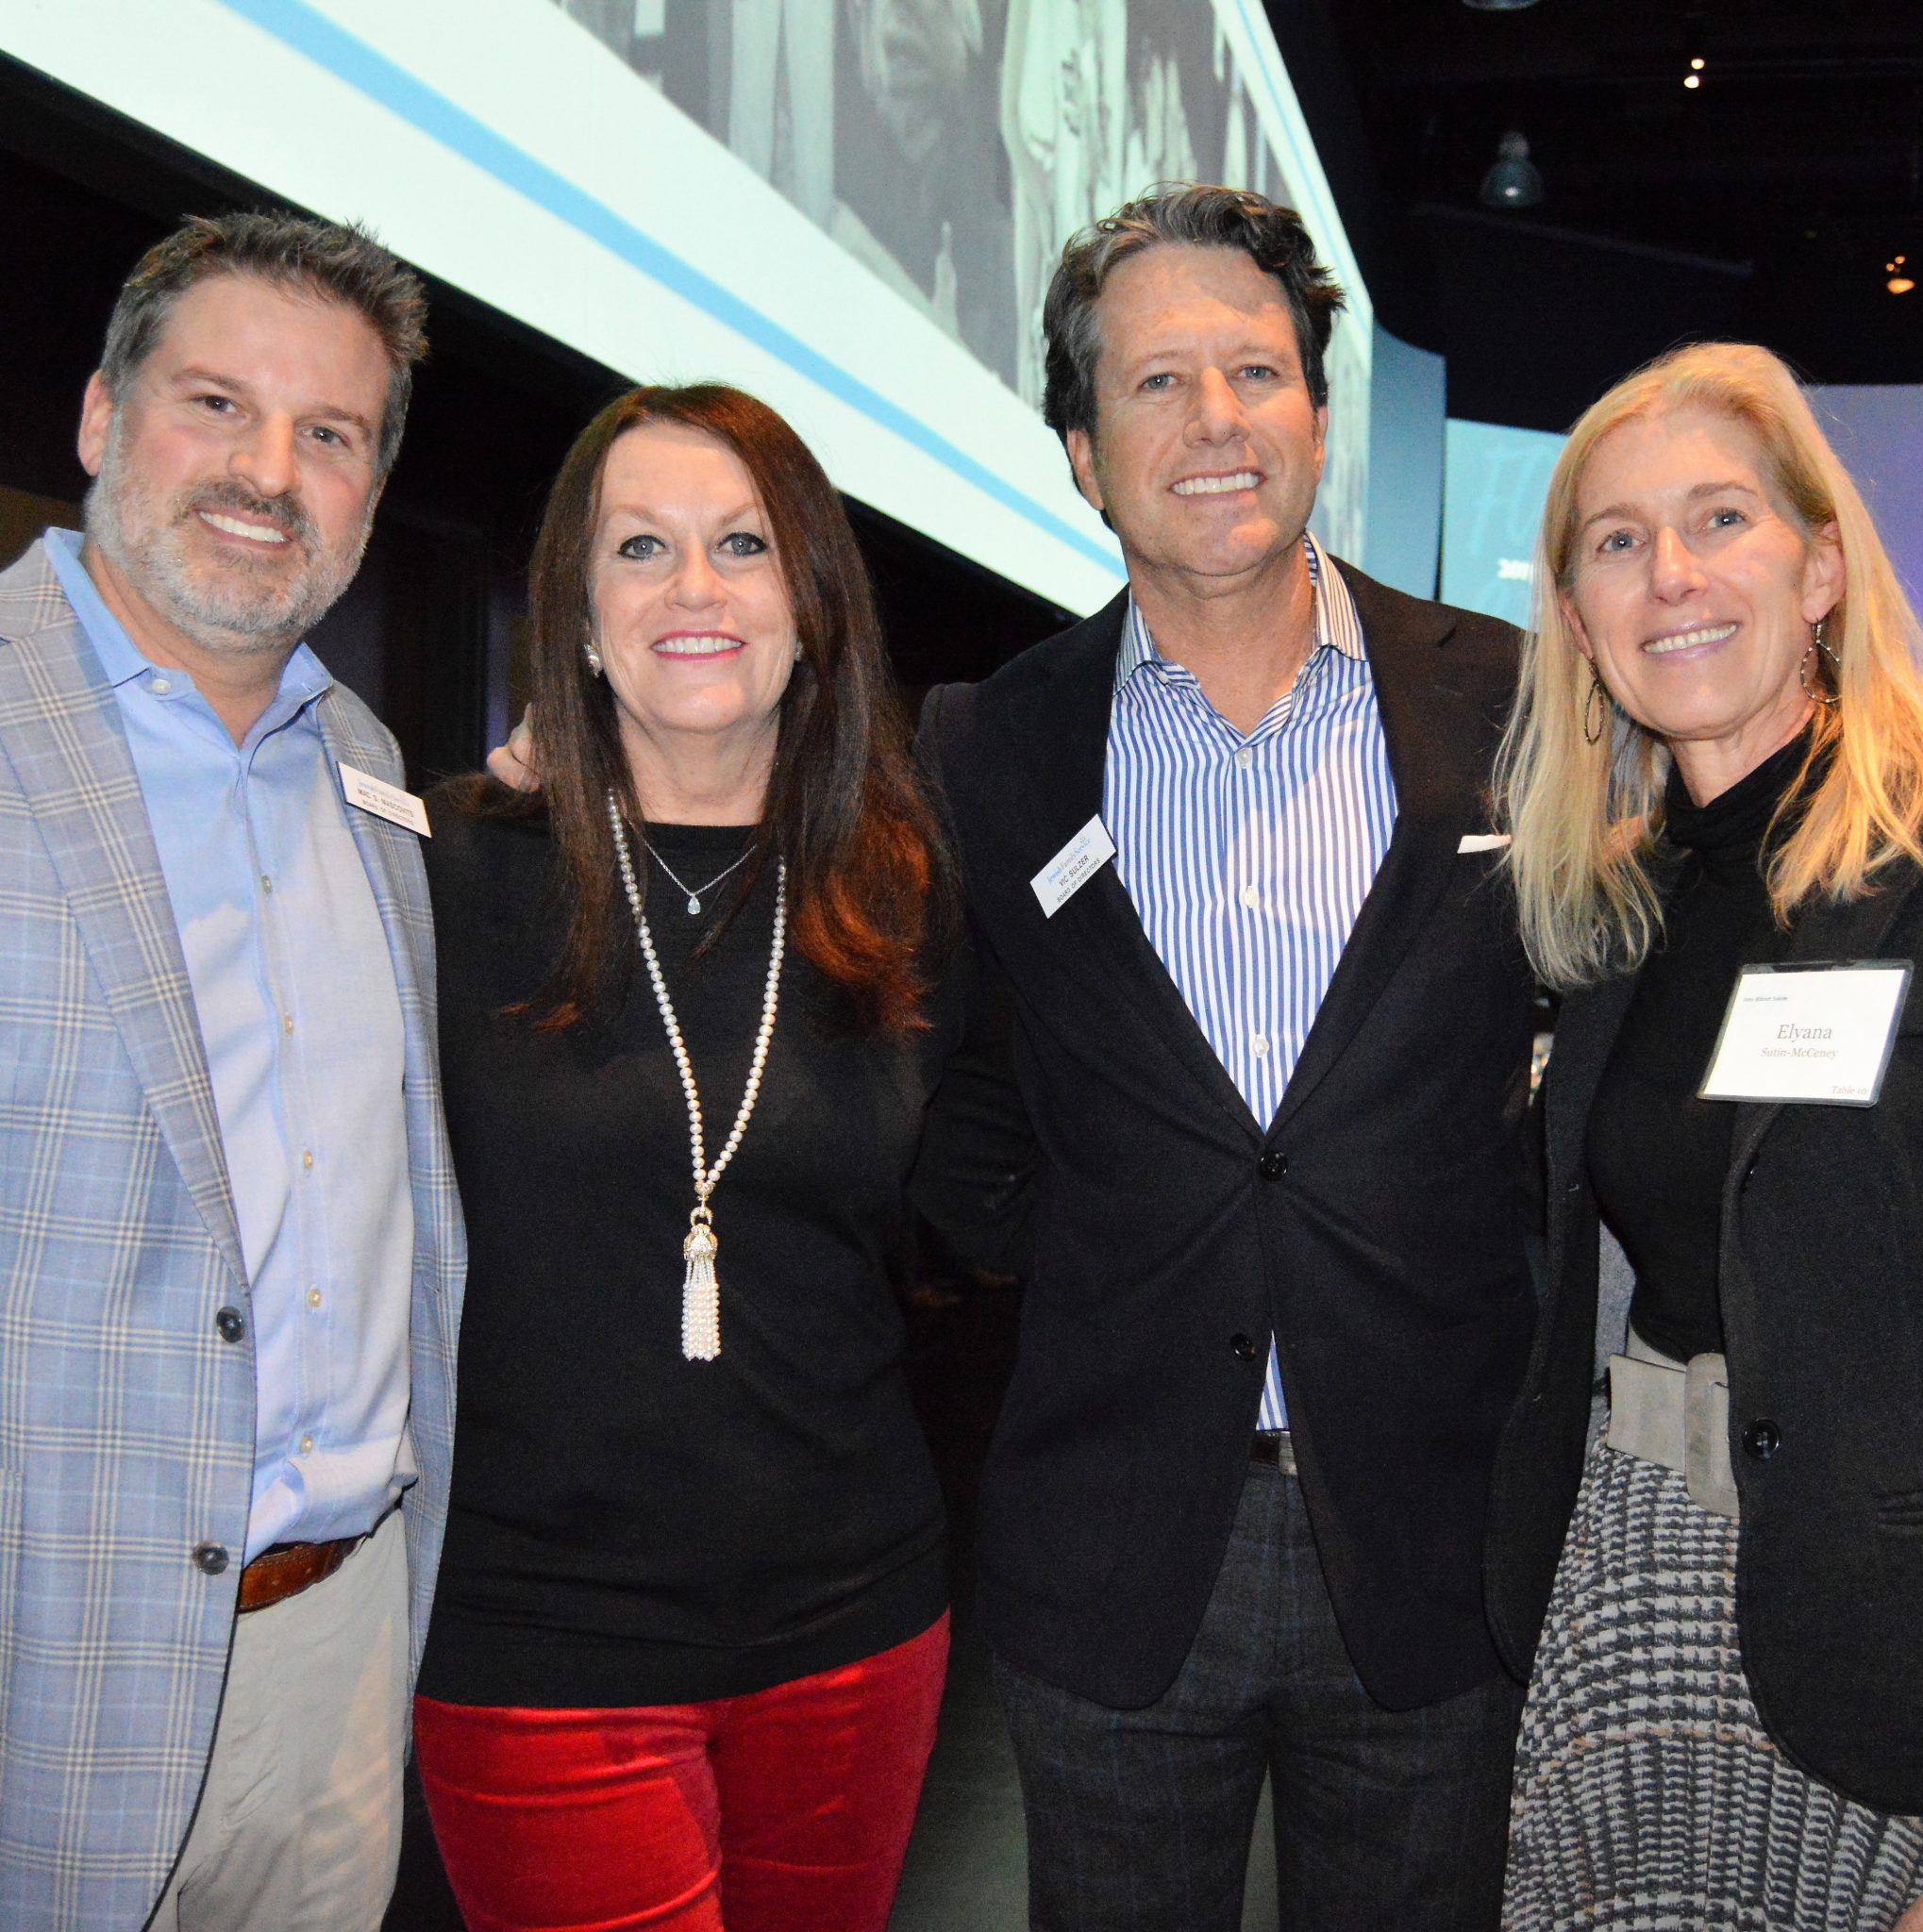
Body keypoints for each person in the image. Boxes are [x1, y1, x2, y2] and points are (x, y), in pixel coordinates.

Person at [916, 182, 1542, 1929]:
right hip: (1118, 1544)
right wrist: (1119, 1248)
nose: (1215, 421)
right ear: (1080, 454)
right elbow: (953, 1107)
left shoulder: (1517, 705)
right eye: (1156, 382)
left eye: (1256, 373)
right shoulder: (988, 745)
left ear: (1319, 419)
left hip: (1434, 1541)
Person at [414, 383, 978, 1932]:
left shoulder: (907, 895)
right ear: (580, 619)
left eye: (742, 544)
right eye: (640, 546)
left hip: (858, 1631)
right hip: (542, 1648)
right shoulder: (446, 875)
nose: (694, 589)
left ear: (813, 606)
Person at [0, 212, 463, 1932]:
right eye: (218, 404)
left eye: (327, 434)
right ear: (100, 415)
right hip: (45, 1661)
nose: (270, 472)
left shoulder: (366, 768)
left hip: (339, 1656)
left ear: (371, 492)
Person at [1489, 341, 1923, 1930]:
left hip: (1886, 1634)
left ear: (1820, 569)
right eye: (1618, 540)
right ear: (1578, 617)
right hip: (1638, 1575)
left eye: (1721, 519)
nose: (1670, 574)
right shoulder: (1604, 910)